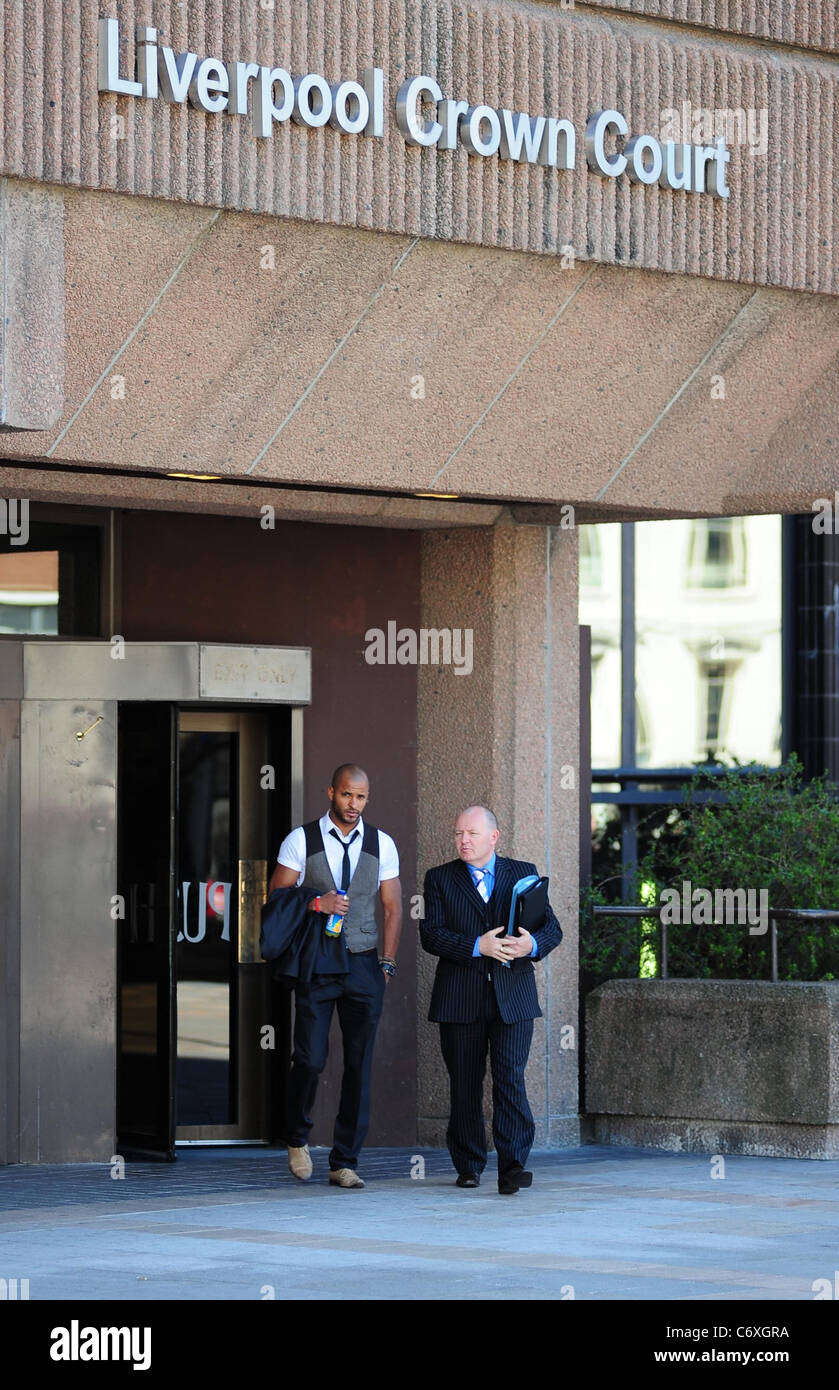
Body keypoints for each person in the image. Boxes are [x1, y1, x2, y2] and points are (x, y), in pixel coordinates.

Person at [268, 764, 402, 1188]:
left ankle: (344, 1161)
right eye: (347, 795)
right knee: (310, 1058)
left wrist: (386, 963)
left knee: (359, 1064)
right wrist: (316, 903)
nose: (353, 804)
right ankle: (296, 1137)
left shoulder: (382, 844)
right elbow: (275, 898)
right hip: (318, 963)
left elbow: (393, 908)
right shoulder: (300, 840)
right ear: (331, 793)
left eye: (361, 797)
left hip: (363, 962)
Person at [420, 805, 561, 1194]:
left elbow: (551, 928)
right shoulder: (440, 878)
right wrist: (476, 946)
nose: (463, 841)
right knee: (464, 1084)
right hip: (459, 998)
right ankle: (468, 1165)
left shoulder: (523, 873)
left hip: (512, 997)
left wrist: (531, 945)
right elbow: (430, 934)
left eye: (472, 834)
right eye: (458, 834)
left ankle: (513, 1166)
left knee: (510, 1079)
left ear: (494, 837)